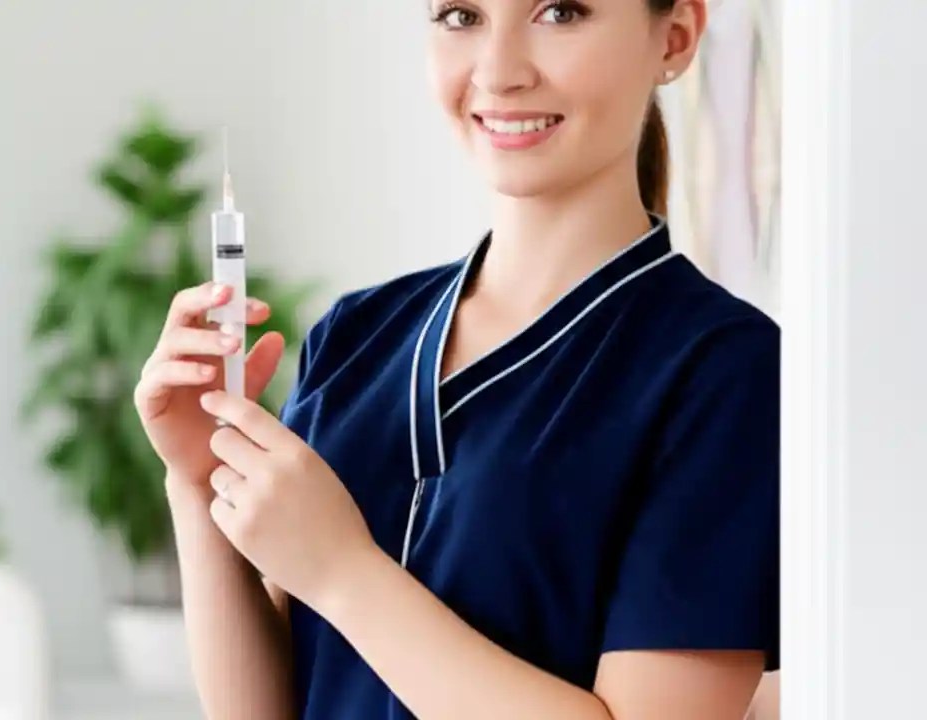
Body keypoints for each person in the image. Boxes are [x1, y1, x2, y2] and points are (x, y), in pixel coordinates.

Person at [133, 0, 779, 718]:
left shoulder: (725, 374)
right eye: (459, 15)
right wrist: (195, 484)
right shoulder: (354, 337)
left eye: (560, 12)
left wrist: (344, 572)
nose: (499, 71)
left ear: (677, 35)